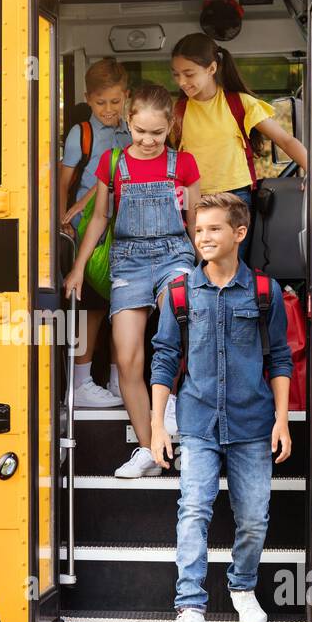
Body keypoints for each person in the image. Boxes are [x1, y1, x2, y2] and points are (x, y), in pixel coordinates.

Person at [149, 192, 293, 622]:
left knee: (253, 518)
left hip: (253, 424)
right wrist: (156, 426)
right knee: (194, 511)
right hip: (196, 423)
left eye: (214, 229)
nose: (204, 237)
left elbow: (280, 359)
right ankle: (190, 608)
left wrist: (282, 421)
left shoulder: (265, 293)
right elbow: (165, 359)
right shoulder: (178, 292)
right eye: (198, 229)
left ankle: (242, 586)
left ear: (239, 233)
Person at [63, 83, 200, 478]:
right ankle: (148, 450)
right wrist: (78, 268)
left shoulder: (184, 165)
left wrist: (211, 268)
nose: (149, 141)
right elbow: (102, 219)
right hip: (129, 262)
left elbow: (194, 223)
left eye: (157, 133)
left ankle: (168, 404)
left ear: (170, 126)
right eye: (141, 132)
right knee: (126, 357)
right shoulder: (111, 162)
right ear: (129, 122)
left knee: (177, 317)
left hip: (175, 256)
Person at [170, 33, 307, 264]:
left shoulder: (239, 103)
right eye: (176, 75)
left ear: (211, 68)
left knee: (229, 268)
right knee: (199, 269)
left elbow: (286, 141)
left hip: (235, 198)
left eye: (189, 73)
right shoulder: (179, 111)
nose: (182, 82)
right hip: (194, 200)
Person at [59, 59, 132, 407]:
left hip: (125, 226)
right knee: (91, 307)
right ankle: (82, 381)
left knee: (124, 304)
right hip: (88, 228)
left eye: (115, 102)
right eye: (101, 102)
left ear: (127, 98)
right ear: (88, 99)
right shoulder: (81, 134)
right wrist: (64, 220)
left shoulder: (132, 130)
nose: (108, 109)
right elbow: (64, 182)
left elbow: (121, 169)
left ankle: (121, 379)